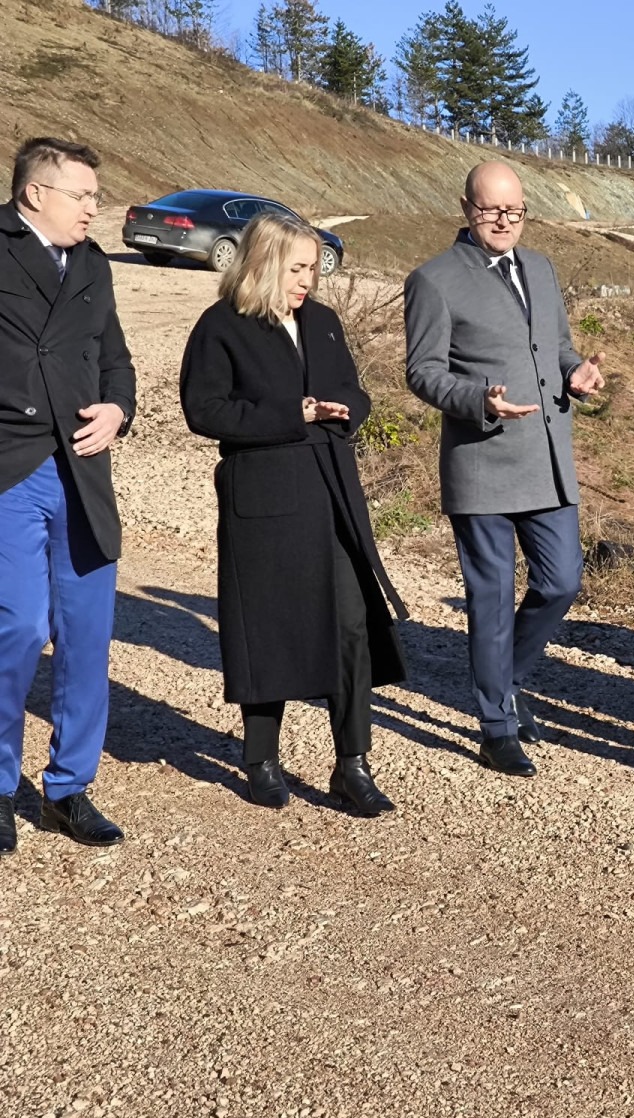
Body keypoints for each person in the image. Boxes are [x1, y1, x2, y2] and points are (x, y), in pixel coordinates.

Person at [180, 213, 409, 816]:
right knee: (268, 627)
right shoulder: (221, 326)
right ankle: (260, 759)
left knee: (351, 624)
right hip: (263, 496)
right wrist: (294, 413)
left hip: (332, 489)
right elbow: (203, 411)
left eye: (312, 268)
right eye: (297, 268)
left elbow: (354, 389)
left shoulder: (324, 321)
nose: (308, 280)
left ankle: (352, 764)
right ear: (263, 264)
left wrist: (347, 409)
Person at [405, 161, 604, 777]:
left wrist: (576, 370)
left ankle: (506, 682)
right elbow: (423, 371)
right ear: (467, 208)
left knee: (562, 581)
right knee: (490, 598)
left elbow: (557, 346)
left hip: (547, 462)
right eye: (492, 210)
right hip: (482, 464)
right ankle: (496, 726)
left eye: (514, 211)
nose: (503, 221)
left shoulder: (540, 268)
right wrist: (478, 400)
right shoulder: (433, 280)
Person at [0, 137, 136, 854]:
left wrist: (118, 408)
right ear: (34, 194)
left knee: (86, 635)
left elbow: (116, 359)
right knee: (18, 628)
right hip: (10, 468)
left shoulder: (93, 264)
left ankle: (68, 790)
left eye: (95, 196)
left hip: (81, 470)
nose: (92, 208)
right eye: (81, 195)